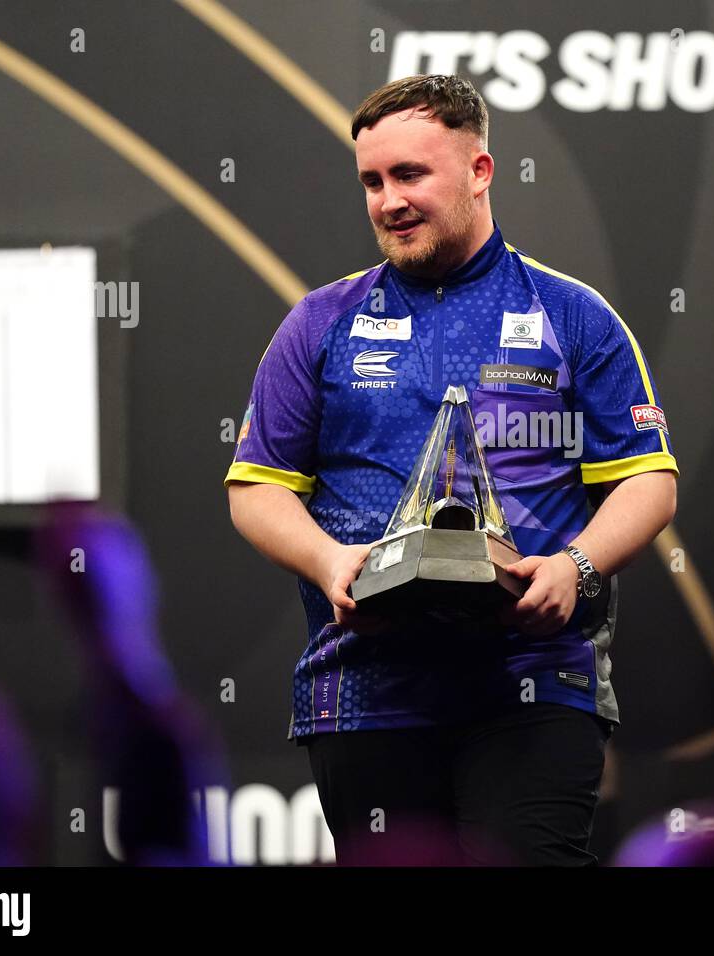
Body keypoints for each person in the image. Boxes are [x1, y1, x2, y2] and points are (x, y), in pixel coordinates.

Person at [224, 74, 678, 865]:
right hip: (365, 691)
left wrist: (577, 566)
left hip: (534, 683)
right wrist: (330, 561)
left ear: (479, 171)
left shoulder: (574, 316)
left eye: (410, 175)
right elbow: (257, 487)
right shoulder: (319, 323)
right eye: (372, 180)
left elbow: (647, 480)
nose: (388, 200)